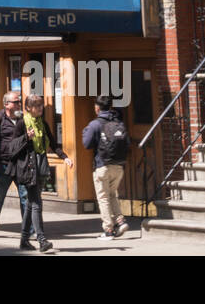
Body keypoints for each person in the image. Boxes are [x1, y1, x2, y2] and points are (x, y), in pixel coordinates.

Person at [19, 94, 72, 252]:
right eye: (36, 106)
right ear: (28, 108)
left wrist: (64, 157)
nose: (40, 108)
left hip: (41, 165)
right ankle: (42, 240)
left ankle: (23, 240)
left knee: (30, 204)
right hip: (29, 167)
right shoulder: (22, 123)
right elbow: (12, 146)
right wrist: (25, 138)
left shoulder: (43, 123)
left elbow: (54, 144)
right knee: (36, 204)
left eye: (41, 105)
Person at [0, 90, 30, 239]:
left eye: (19, 101)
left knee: (26, 197)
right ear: (7, 104)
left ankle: (29, 229)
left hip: (21, 164)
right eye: (16, 102)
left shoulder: (23, 119)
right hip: (3, 164)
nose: (19, 104)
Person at [82, 94, 129, 240]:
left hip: (102, 165)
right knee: (112, 194)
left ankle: (108, 230)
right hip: (119, 166)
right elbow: (127, 143)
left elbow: (87, 144)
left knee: (103, 197)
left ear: (97, 108)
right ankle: (120, 221)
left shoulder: (95, 124)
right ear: (111, 107)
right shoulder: (119, 123)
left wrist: (85, 132)